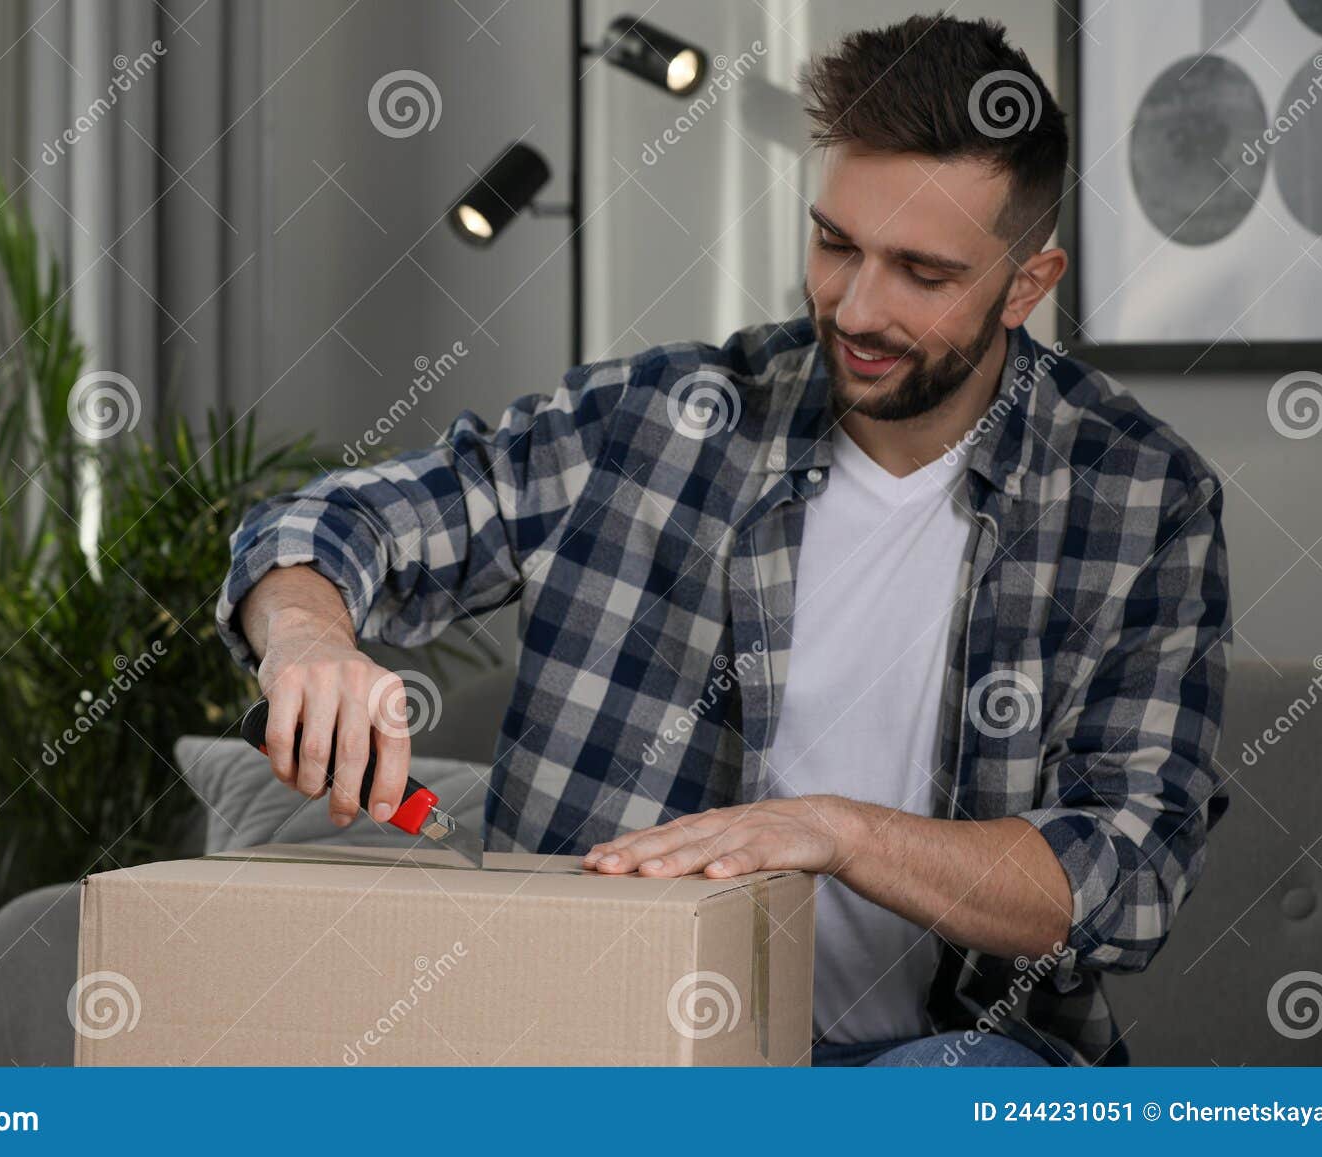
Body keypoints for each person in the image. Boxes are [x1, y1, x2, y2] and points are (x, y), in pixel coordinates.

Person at [216, 14, 1229, 1067]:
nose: (857, 306)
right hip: (612, 1036)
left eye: (923, 274)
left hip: (947, 1050)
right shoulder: (657, 418)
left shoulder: (1140, 499)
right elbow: (337, 522)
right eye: (835, 243)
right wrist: (305, 638)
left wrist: (836, 831)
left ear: (1027, 282)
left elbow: (1127, 866)